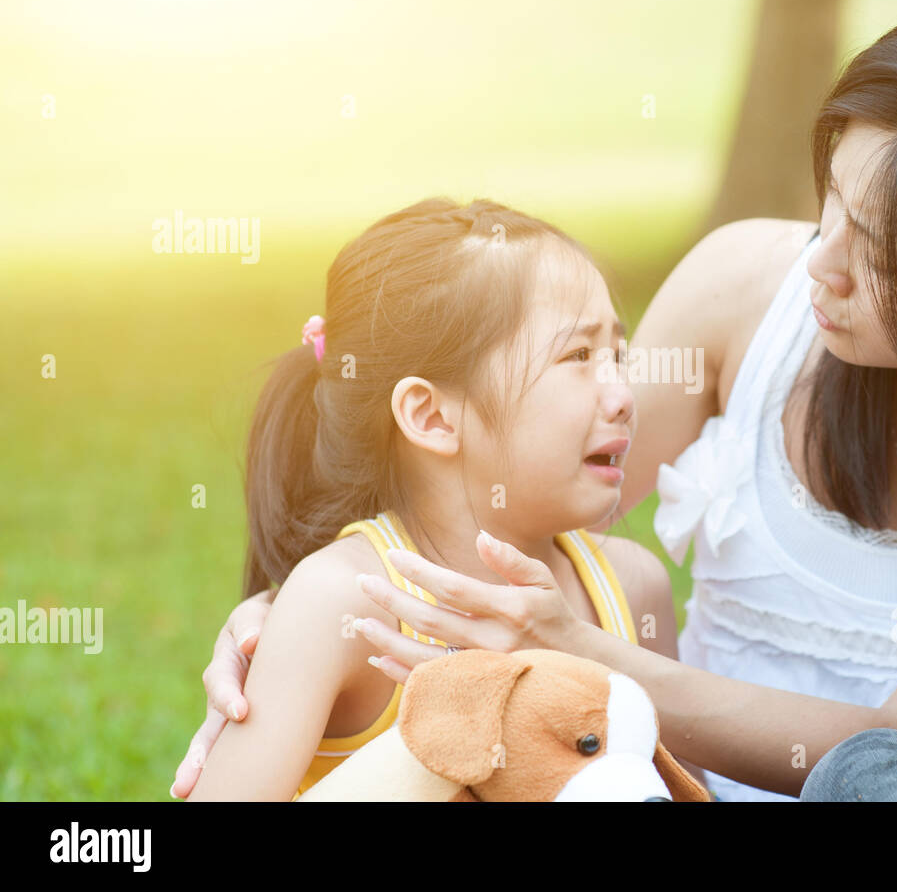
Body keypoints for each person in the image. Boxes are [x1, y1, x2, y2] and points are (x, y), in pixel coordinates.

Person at [175, 0, 897, 802]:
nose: (823, 266)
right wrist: (310, 605)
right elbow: (504, 467)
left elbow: (883, 762)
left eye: (886, 258)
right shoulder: (742, 291)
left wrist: (590, 659)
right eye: (833, 206)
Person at [184, 198, 682, 800]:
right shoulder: (345, 604)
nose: (623, 393)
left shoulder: (632, 588)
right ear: (432, 416)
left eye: (618, 356)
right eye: (578, 356)